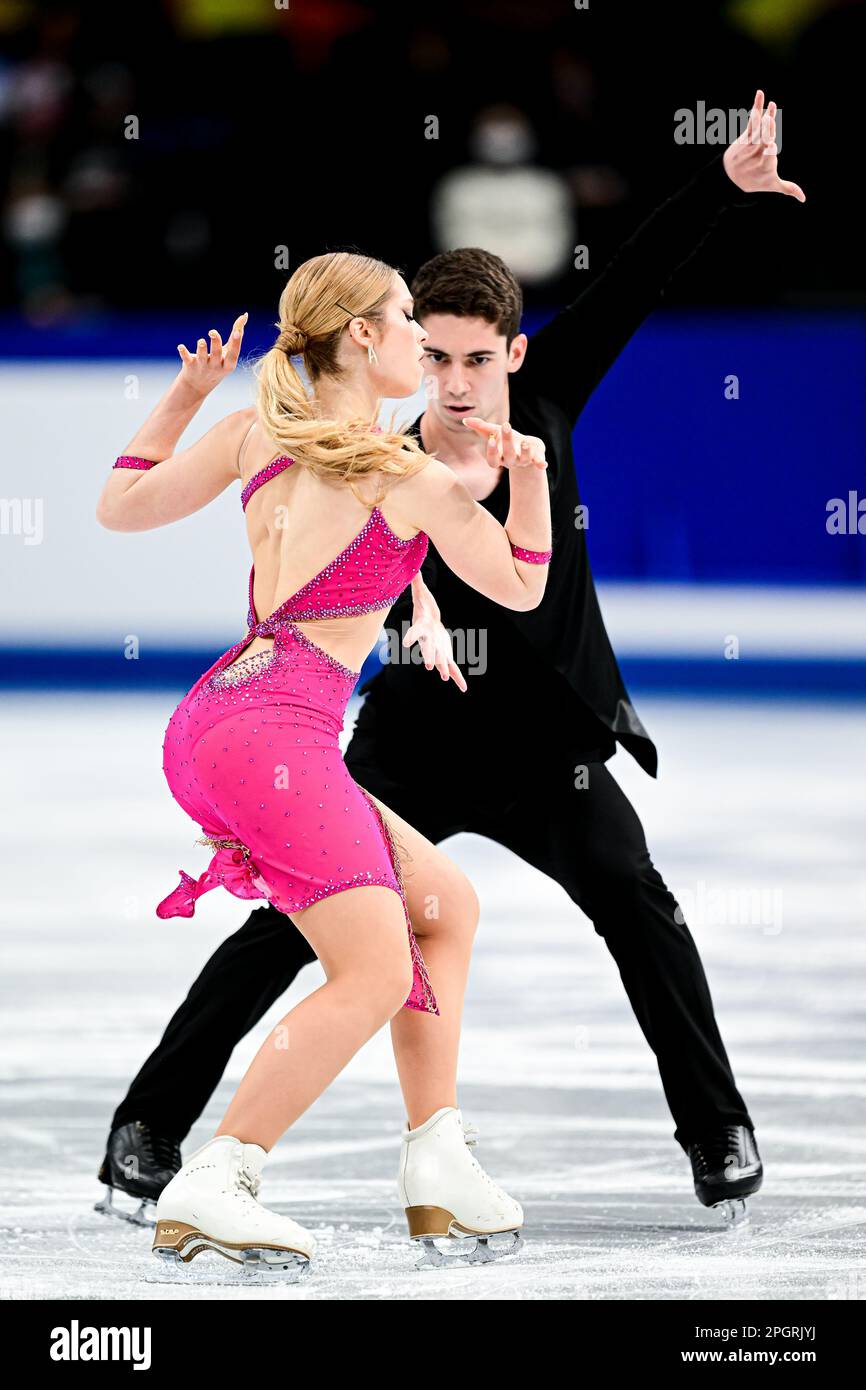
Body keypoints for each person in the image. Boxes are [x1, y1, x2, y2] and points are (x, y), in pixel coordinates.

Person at [98, 91, 803, 1233]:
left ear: (513, 353)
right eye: (434, 357)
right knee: (296, 916)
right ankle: (152, 1127)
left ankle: (712, 1128)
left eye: (478, 358)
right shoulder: (383, 445)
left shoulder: (549, 402)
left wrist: (718, 186)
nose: (458, 381)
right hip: (417, 731)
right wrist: (419, 603)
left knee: (635, 901)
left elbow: (632, 276)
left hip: (551, 739)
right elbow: (377, 530)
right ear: (402, 351)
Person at [95, 251, 552, 1276]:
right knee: (374, 965)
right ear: (359, 335)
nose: (420, 350)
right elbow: (523, 582)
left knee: (442, 904)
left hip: (218, 723)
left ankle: (436, 1156)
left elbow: (118, 506)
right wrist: (529, 475)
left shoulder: (252, 433)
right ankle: (220, 1173)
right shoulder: (406, 473)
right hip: (277, 741)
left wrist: (180, 397)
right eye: (403, 322)